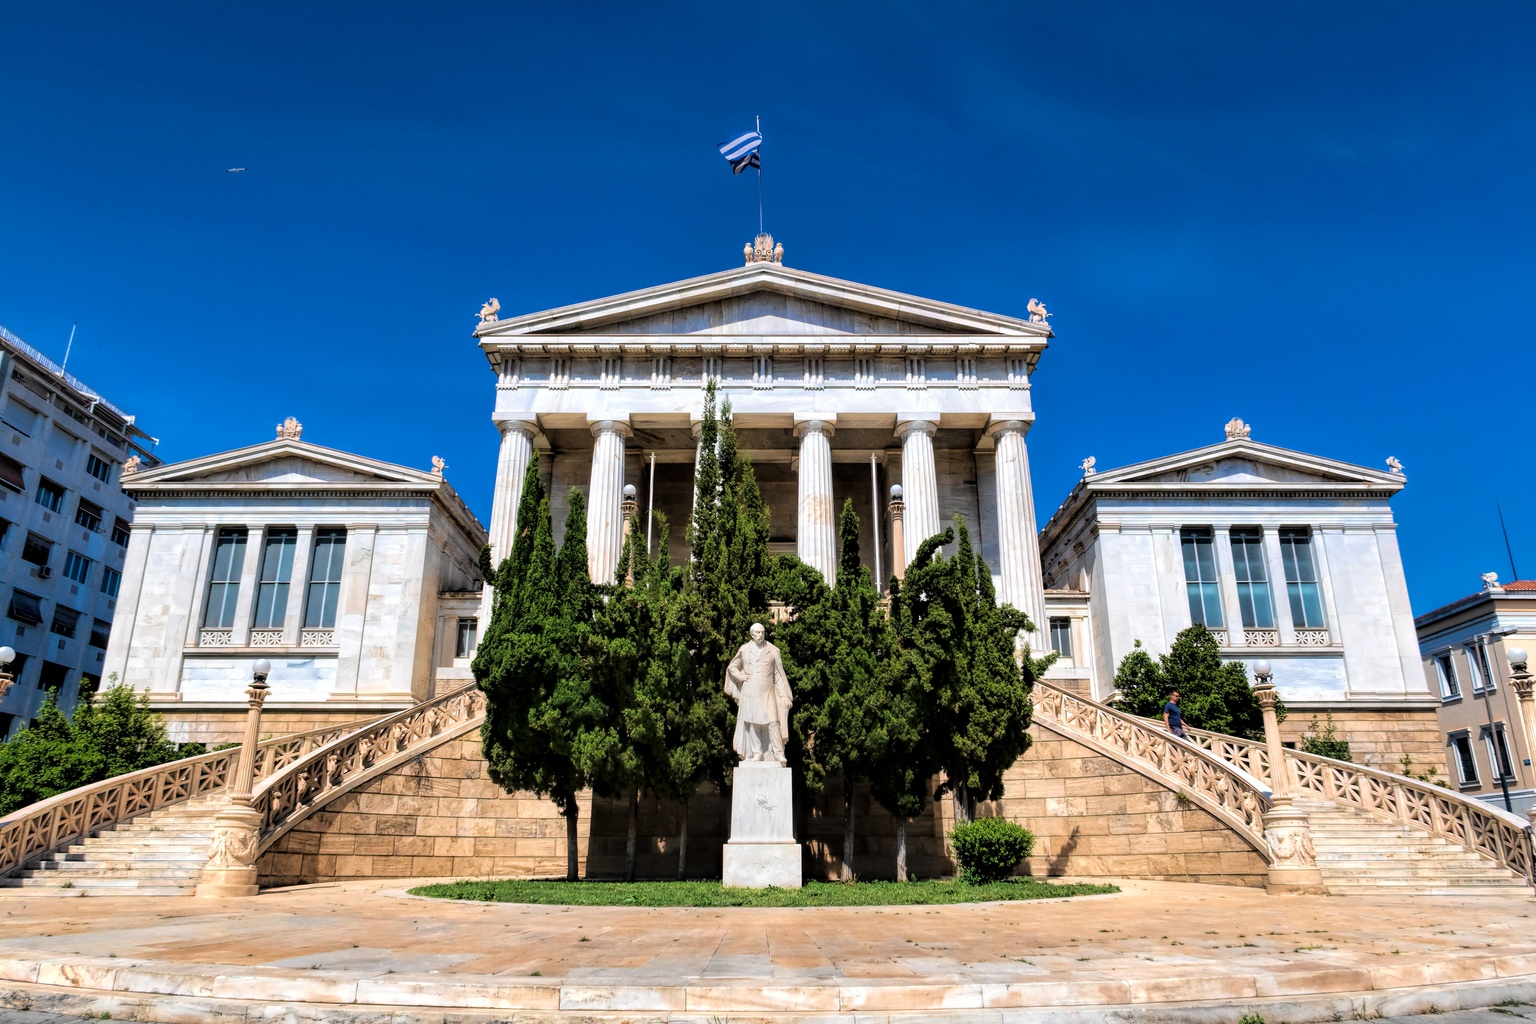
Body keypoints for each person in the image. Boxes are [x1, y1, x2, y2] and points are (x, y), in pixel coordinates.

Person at [724, 622, 793, 765]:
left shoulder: (773, 650)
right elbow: (732, 667)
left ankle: (778, 753)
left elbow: (778, 675)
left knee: (773, 722)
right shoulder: (744, 650)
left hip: (768, 693)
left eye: (762, 632)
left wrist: (785, 695)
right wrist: (741, 677)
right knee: (752, 723)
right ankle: (757, 753)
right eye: (757, 633)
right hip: (750, 692)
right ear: (751, 634)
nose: (760, 635)